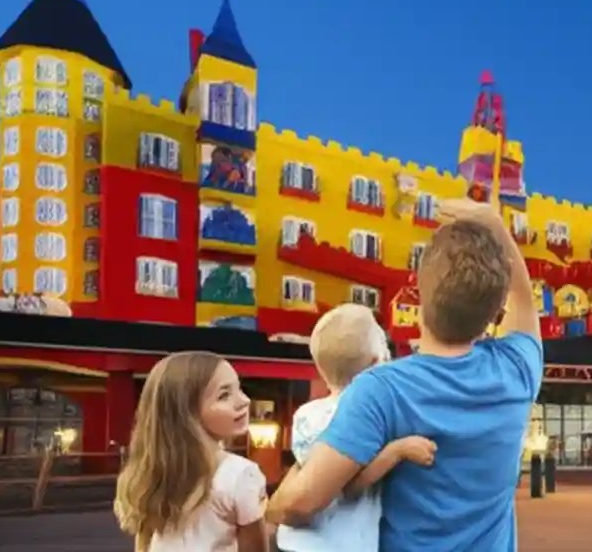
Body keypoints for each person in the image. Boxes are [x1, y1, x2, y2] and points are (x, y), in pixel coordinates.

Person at [267, 198, 543, 551]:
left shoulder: (380, 389)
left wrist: (270, 505)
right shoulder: (517, 371)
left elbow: (300, 503)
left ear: (419, 292)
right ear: (495, 314)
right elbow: (526, 301)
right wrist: (498, 227)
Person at [277, 303, 437, 552]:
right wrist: (397, 451)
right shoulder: (361, 415)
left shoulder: (307, 414)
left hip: (295, 541)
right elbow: (348, 486)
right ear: (377, 363)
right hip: (337, 544)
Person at [113, 351, 268, 552]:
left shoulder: (151, 471)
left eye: (239, 389)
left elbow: (143, 544)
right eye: (224, 395)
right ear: (187, 414)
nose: (244, 401)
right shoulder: (241, 474)